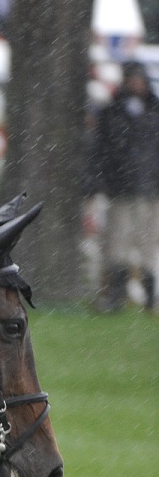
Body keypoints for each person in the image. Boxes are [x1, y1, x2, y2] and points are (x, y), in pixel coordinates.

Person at [90, 60, 159, 312]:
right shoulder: (113, 112)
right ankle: (116, 295)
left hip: (150, 189)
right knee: (116, 244)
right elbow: (100, 151)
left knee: (148, 245)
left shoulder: (154, 112)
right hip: (121, 188)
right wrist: (98, 183)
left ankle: (150, 297)